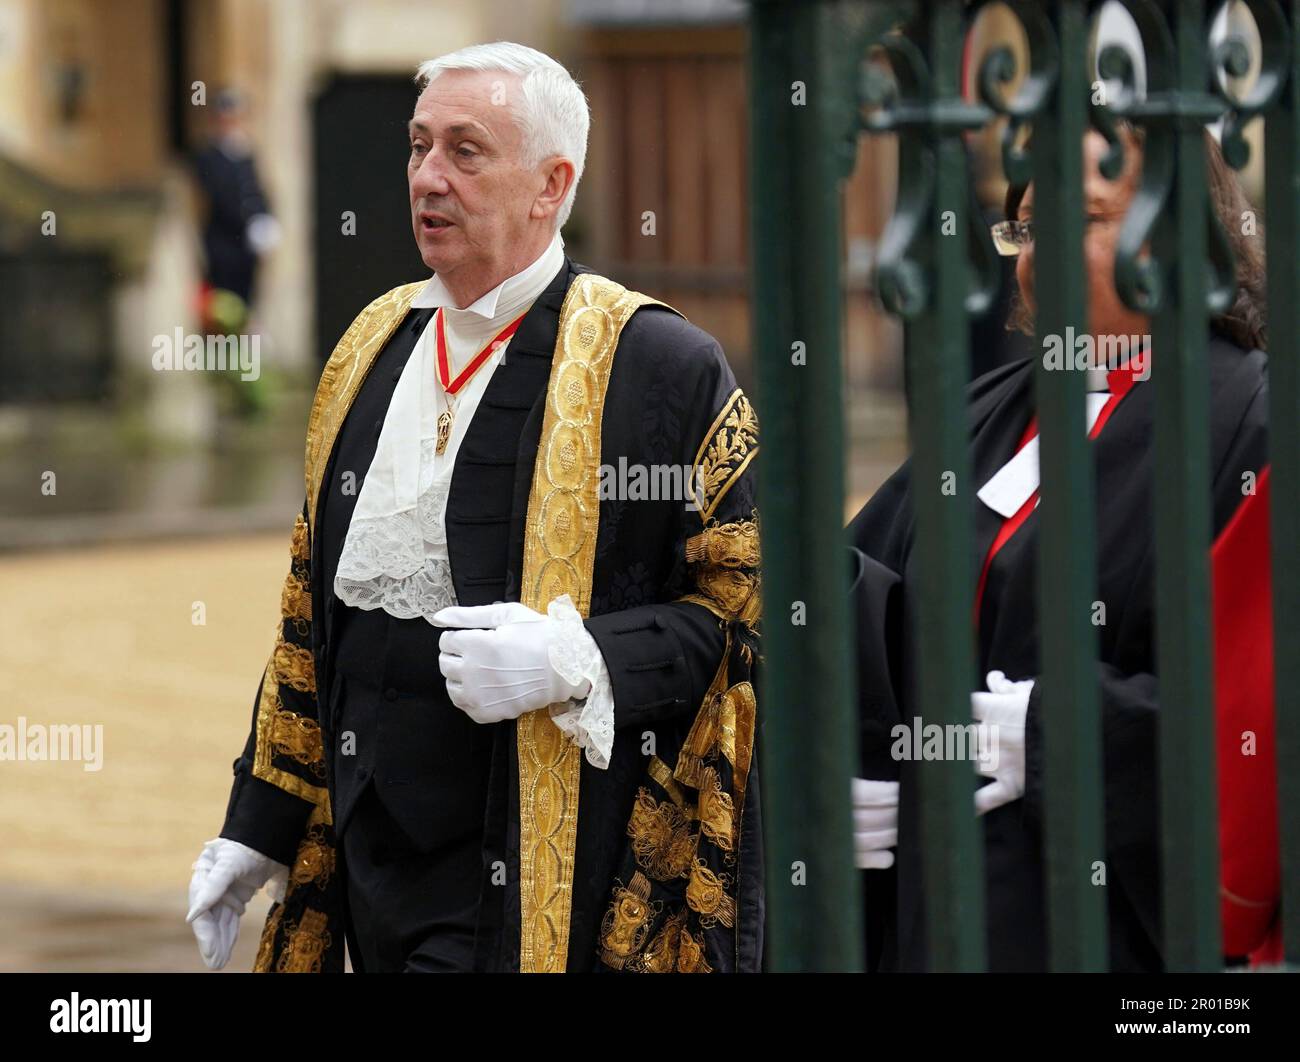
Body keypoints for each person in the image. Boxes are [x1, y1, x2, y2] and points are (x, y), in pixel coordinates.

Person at [186, 42, 763, 973]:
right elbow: (307, 619)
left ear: (550, 184)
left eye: (465, 151)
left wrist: (584, 662)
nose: (428, 177)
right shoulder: (368, 347)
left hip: (540, 873)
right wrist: (256, 827)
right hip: (365, 877)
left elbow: (749, 612)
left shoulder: (660, 365)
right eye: (419, 148)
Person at [849, 122, 1279, 971]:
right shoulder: (986, 410)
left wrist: (1075, 733)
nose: (1037, 254)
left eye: (1079, 219)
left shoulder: (1252, 421)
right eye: (1027, 226)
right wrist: (841, 754)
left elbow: (1258, 717)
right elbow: (859, 597)